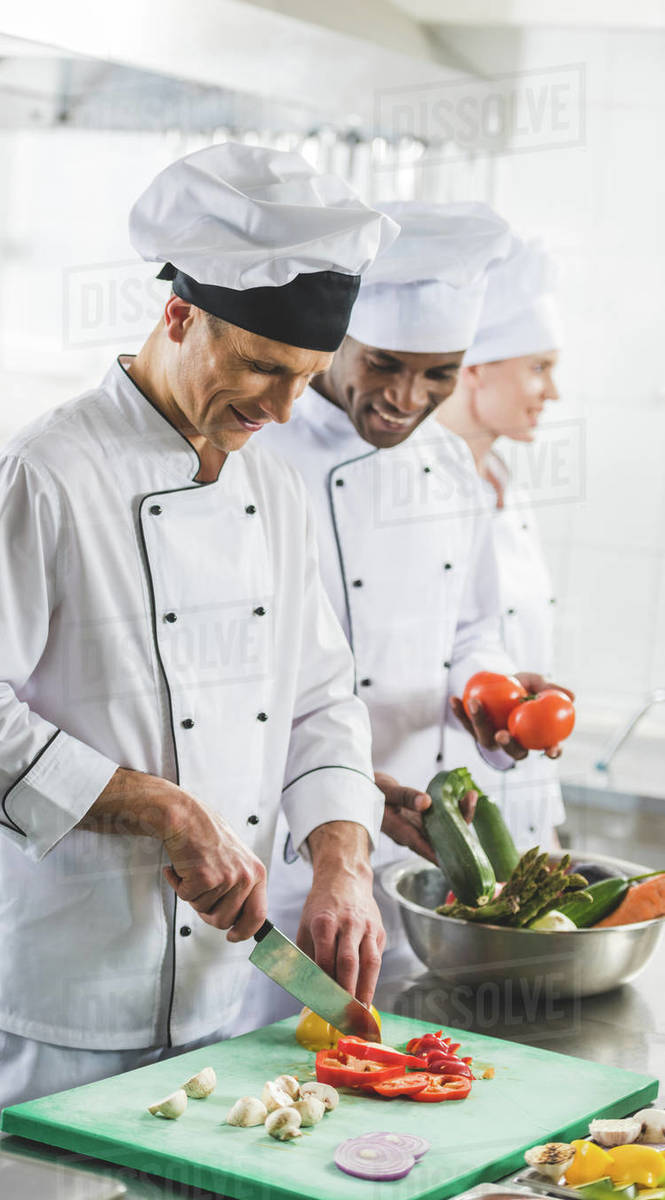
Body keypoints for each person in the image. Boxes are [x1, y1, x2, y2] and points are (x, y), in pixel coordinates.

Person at [0, 142, 400, 1141]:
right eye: (261, 367)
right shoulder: (43, 474)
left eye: (306, 377)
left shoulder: (274, 487)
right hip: (60, 1003)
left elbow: (319, 699)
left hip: (224, 997)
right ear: (179, 316)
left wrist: (343, 858)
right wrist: (165, 808)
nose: (282, 408)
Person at [238, 202, 570, 1031]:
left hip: (413, 849)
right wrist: (334, 803)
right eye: (384, 363)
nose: (403, 397)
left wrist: (489, 695)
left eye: (438, 376)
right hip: (278, 850)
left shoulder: (447, 465)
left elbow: (469, 628)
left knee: (387, 1068)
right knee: (269, 1068)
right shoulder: (253, 450)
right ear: (335, 341)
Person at [436, 235, 566, 849]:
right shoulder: (415, 494)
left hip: (524, 799)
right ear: (475, 368)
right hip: (444, 808)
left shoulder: (505, 484)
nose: (552, 391)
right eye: (539, 367)